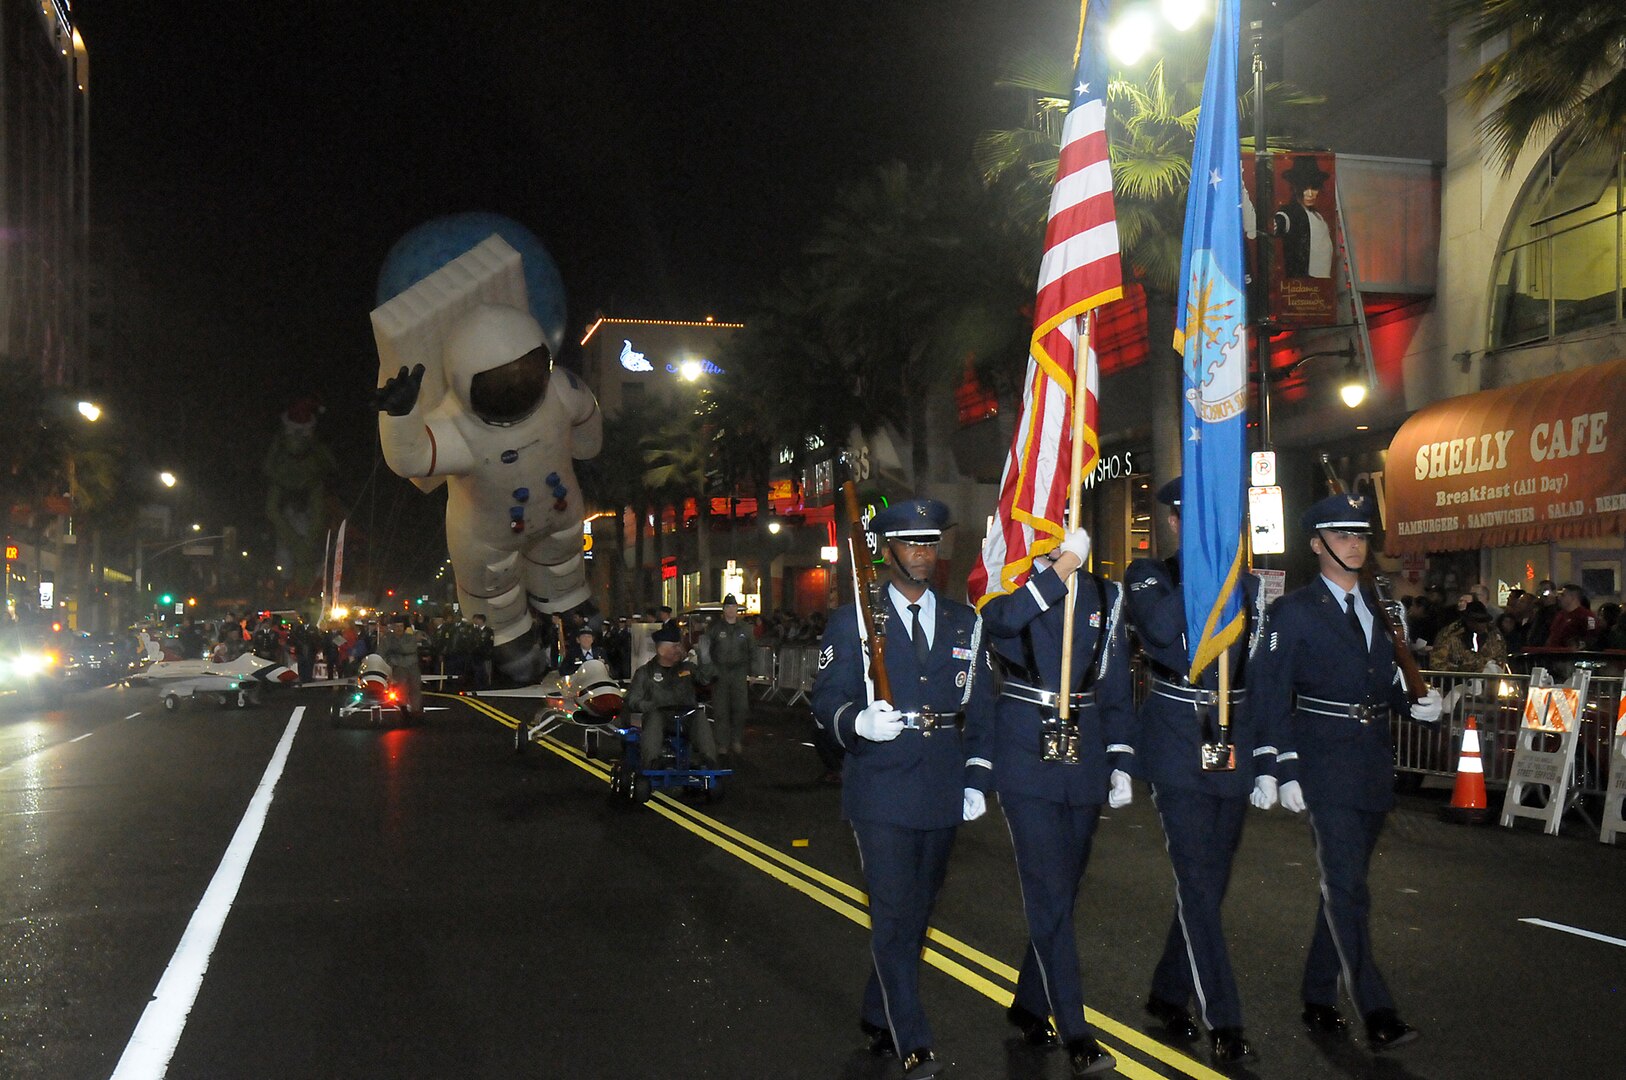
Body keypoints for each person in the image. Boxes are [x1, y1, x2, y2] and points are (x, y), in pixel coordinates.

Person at [1249, 492, 1443, 1052]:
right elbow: (1269, 691)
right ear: (1317, 544)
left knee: (1344, 888)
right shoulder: (1293, 611)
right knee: (1348, 889)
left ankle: (1316, 992)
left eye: (1361, 536)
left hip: (1370, 764)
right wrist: (1277, 766)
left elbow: (1380, 683)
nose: (1355, 544)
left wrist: (1414, 706)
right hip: (1321, 762)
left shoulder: (1382, 610)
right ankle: (1377, 1009)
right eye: (1342, 535)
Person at [810, 498, 994, 1080]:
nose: (923, 553)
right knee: (892, 913)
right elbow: (825, 701)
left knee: (918, 912)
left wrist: (977, 776)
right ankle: (911, 1038)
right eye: (911, 543)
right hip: (881, 787)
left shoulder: (965, 620)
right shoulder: (854, 620)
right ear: (886, 552)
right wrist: (856, 724)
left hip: (941, 781)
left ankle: (877, 1008)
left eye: (930, 543)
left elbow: (981, 709)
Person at [979, 519, 1131, 1077]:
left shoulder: (1105, 594)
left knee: (1062, 890)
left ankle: (1029, 1002)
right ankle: (1076, 1029)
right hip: (1024, 747)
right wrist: (1061, 568)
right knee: (1046, 889)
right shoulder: (1007, 579)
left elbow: (1113, 679)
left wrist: (1120, 756)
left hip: (1085, 749)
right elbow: (1000, 624)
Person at [1124, 478, 1268, 1066]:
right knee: (1196, 882)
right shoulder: (1149, 578)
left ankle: (1167, 990)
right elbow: (1168, 636)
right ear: (1175, 525)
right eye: (1188, 521)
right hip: (1177, 742)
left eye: (1210, 520)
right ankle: (1224, 1019)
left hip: (1230, 744)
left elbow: (1256, 668)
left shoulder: (1252, 585)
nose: (1196, 529)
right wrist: (1209, 576)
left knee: (1209, 883)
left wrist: (1264, 757)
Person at [625, 621, 716, 770]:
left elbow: (705, 679)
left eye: (679, 646)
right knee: (654, 717)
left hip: (686, 717)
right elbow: (632, 699)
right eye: (675, 646)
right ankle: (652, 762)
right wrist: (648, 705)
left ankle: (708, 760)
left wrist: (706, 659)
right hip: (660, 718)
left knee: (700, 716)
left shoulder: (688, 668)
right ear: (661, 650)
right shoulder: (645, 673)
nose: (679, 650)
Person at [704, 594, 754, 758]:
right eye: (727, 607)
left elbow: (753, 649)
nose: (730, 610)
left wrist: (754, 672)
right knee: (720, 710)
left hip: (739, 672)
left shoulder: (745, 629)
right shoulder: (715, 628)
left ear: (737, 609)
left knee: (741, 708)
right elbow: (706, 648)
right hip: (720, 672)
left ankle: (736, 740)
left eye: (733, 607)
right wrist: (709, 668)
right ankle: (722, 743)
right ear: (723, 609)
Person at [1273, 156, 1334, 278]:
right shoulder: (1291, 212)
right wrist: (1277, 224)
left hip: (1321, 286)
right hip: (1303, 285)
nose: (1310, 194)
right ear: (1295, 187)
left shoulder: (1318, 216)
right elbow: (1281, 220)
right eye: (1304, 188)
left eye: (1314, 188)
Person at [1428, 600, 1509, 672]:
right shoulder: (1450, 634)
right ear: (1468, 621)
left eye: (1484, 620)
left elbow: (1501, 657)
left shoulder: (1493, 633)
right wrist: (1461, 669)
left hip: (1488, 683)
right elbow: (1436, 663)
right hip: (1457, 683)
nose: (1482, 625)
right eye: (1477, 621)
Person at [378, 614, 429, 718]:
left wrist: (394, 650)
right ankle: (403, 708)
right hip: (397, 666)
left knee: (415, 688)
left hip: (412, 665)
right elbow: (380, 653)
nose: (399, 629)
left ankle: (416, 710)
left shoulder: (409, 637)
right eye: (396, 626)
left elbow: (409, 649)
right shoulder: (387, 639)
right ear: (392, 627)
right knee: (401, 687)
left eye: (401, 626)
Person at [1544, 584, 1599, 649]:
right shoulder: (1560, 615)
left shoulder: (1589, 617)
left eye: (1563, 595)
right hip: (1553, 655)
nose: (1559, 598)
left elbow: (1592, 637)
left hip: (1570, 657)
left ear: (1573, 597)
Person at [471, 612, 495, 690]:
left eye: (478, 620)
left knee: (486, 671)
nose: (476, 621)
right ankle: (479, 685)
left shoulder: (488, 631)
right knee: (478, 671)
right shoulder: (476, 631)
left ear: (481, 620)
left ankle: (487, 685)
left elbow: (490, 643)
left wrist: (488, 653)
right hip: (477, 655)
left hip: (485, 655)